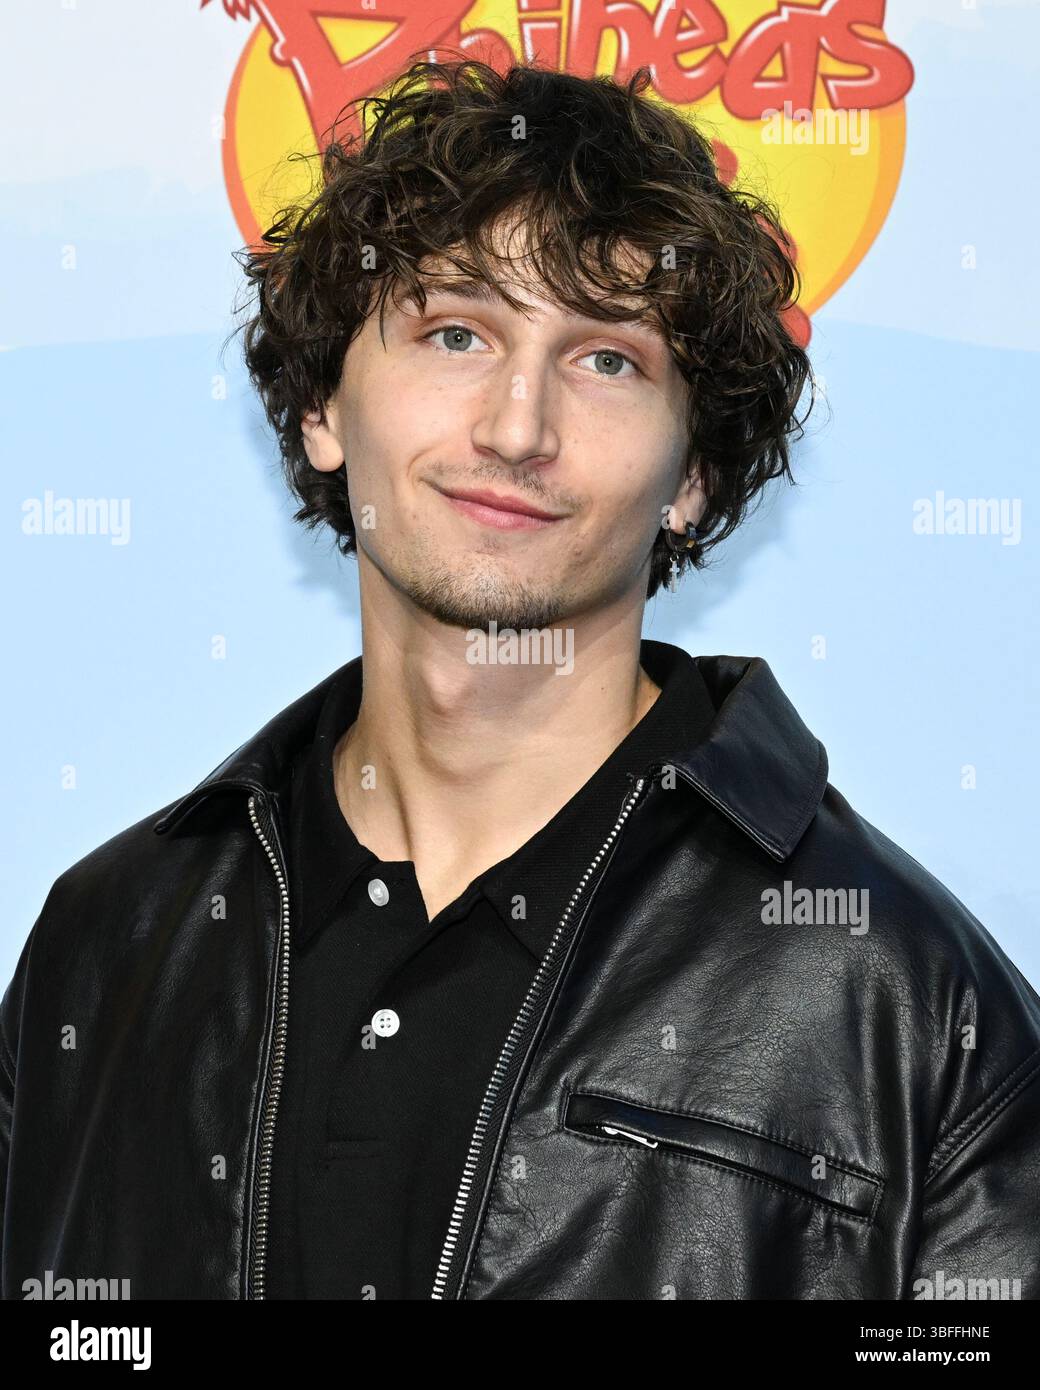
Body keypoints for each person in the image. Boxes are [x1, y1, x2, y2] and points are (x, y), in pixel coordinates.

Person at [3, 56, 1038, 1302]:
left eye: (606, 361)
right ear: (327, 402)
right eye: (454, 332)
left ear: (692, 473)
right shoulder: (110, 939)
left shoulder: (903, 996)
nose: (513, 427)